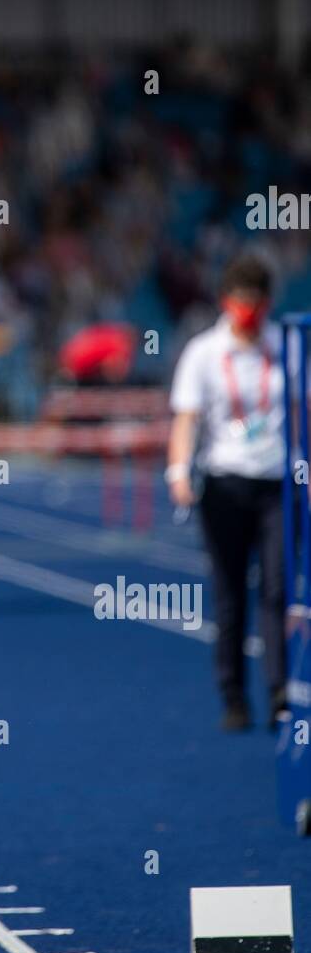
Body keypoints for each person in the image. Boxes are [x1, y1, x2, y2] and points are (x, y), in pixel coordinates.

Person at [167, 254, 289, 732]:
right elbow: (187, 418)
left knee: (278, 589)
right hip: (225, 481)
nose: (248, 312)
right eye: (241, 303)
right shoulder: (203, 352)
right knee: (230, 593)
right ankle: (234, 696)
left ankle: (280, 689)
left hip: (278, 482)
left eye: (256, 304)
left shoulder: (284, 345)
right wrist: (178, 471)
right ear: (226, 302)